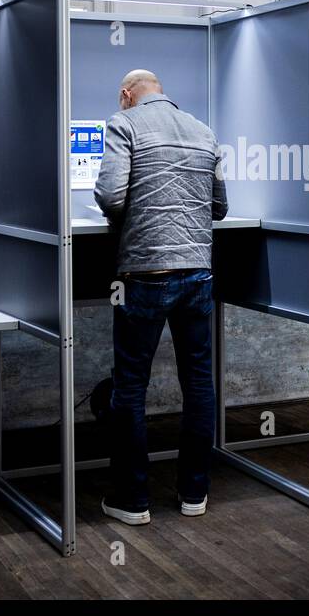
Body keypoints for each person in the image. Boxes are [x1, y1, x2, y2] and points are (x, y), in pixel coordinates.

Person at [94, 69, 227, 525]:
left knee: (131, 387)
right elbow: (220, 207)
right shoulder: (204, 131)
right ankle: (194, 494)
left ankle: (133, 502)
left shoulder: (123, 123)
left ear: (126, 94)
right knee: (198, 384)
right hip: (198, 273)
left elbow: (111, 196)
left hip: (145, 271)